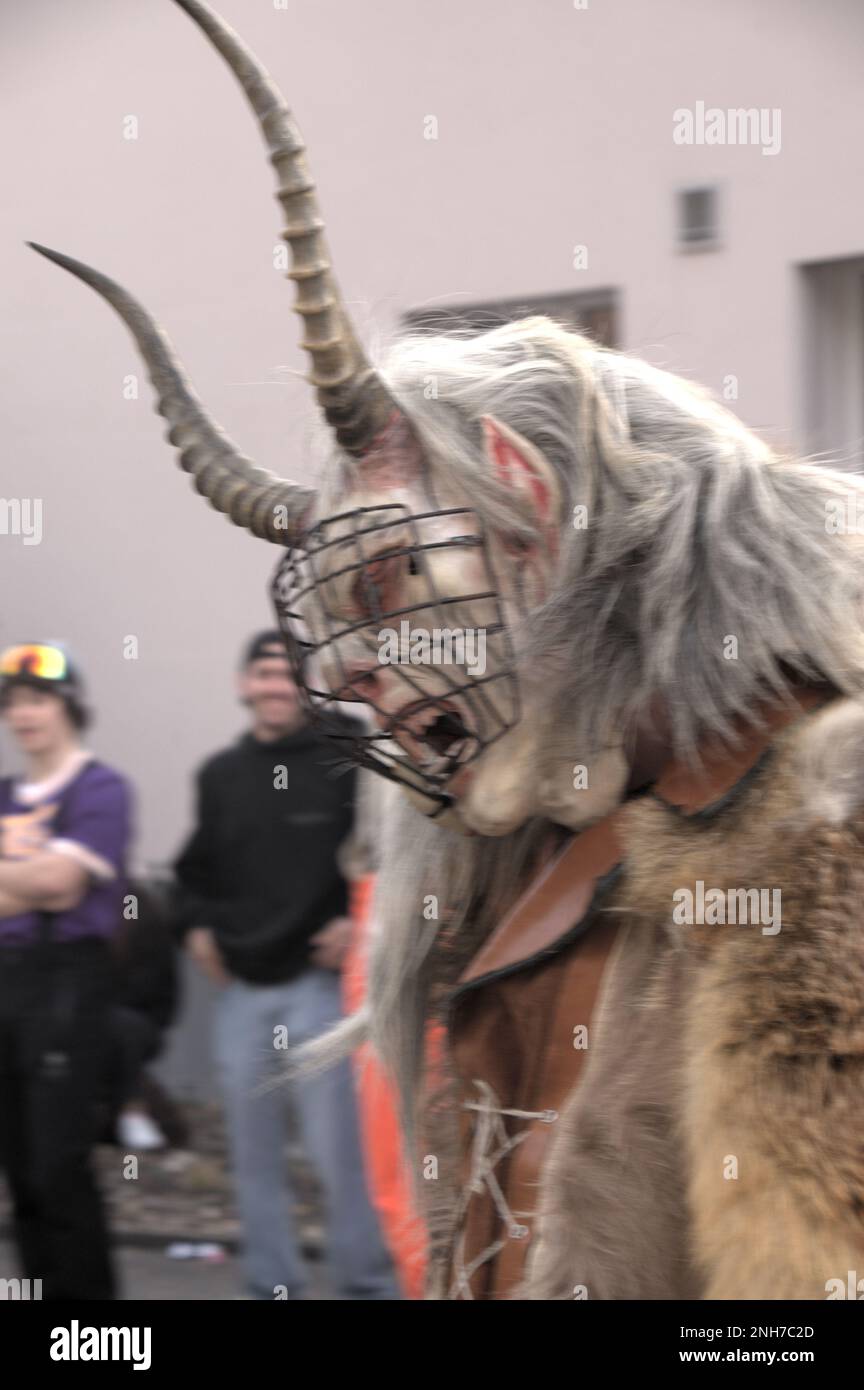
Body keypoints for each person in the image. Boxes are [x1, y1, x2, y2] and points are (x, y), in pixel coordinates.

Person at [34, 0, 864, 1302]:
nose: (353, 672)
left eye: (384, 582)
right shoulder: (532, 852)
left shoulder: (823, 831)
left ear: (529, 504)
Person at [174, 631, 396, 1300]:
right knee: (253, 1157)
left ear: (305, 687)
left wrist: (363, 924)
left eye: (286, 676)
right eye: (262, 676)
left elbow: (392, 854)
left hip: (322, 994)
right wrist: (193, 928)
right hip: (242, 995)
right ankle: (272, 1284)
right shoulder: (221, 776)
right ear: (244, 686)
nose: (273, 688)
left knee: (341, 1157)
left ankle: (368, 1285)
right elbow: (192, 873)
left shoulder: (349, 758)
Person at [0, 641, 132, 1300]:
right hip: (7, 980)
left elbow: (62, 883)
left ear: (69, 706)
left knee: (59, 1167)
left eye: (39, 700)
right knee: (21, 1171)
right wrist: (32, 881)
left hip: (67, 988)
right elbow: (41, 881)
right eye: (16, 703)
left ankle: (92, 1333)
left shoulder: (100, 788)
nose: (25, 715)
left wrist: (30, 881)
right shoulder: (4, 793)